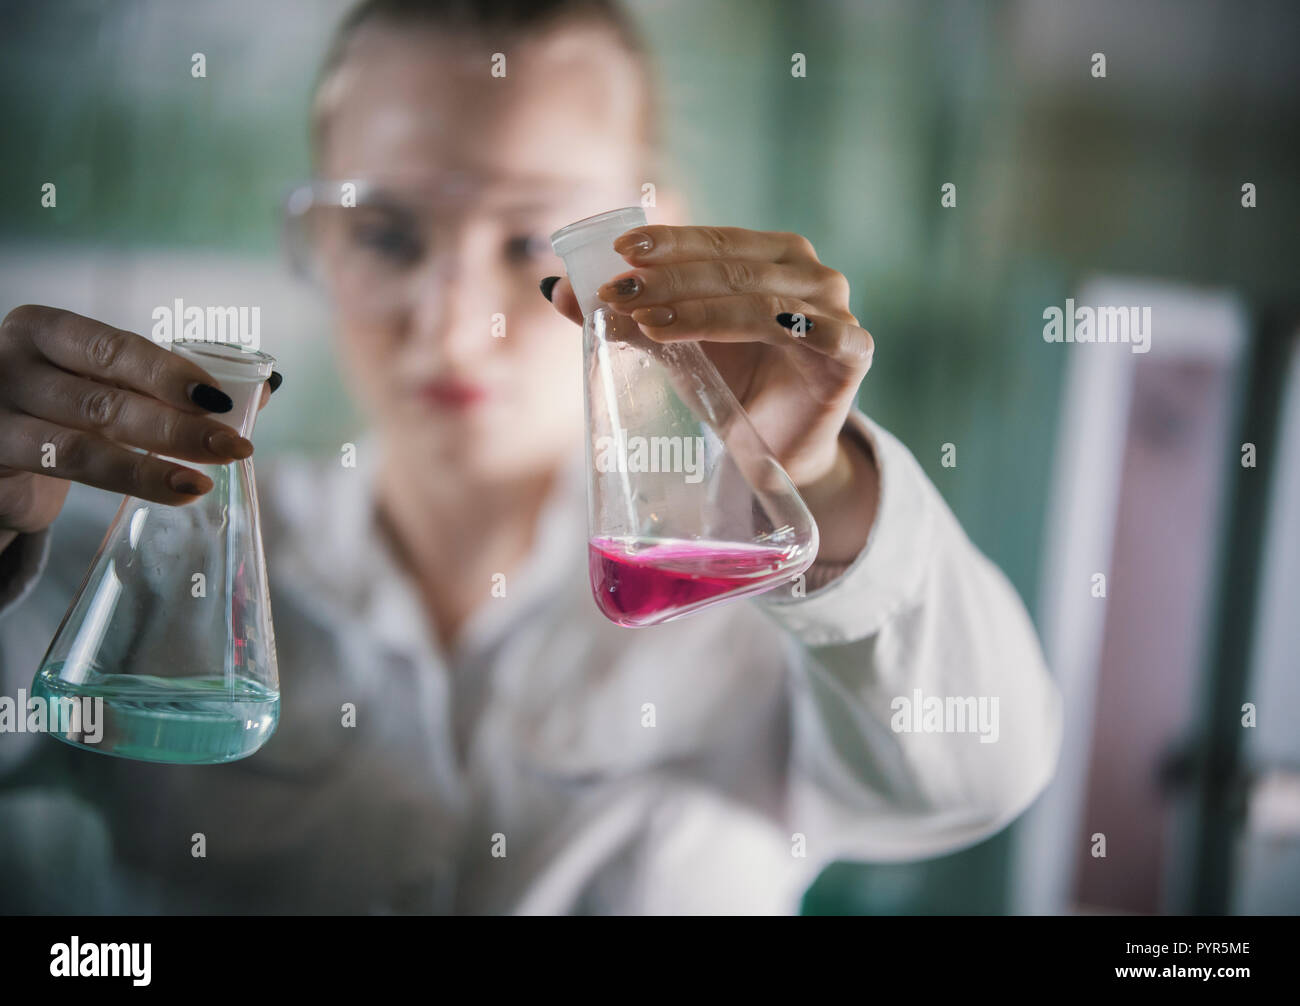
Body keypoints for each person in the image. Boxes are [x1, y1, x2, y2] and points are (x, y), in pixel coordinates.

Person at [0, 0, 1061, 914]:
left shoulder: (751, 584)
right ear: (315, 244)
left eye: (528, 243)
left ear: (659, 252)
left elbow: (984, 768)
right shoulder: (117, 556)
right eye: (386, 233)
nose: (454, 322)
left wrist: (818, 487)